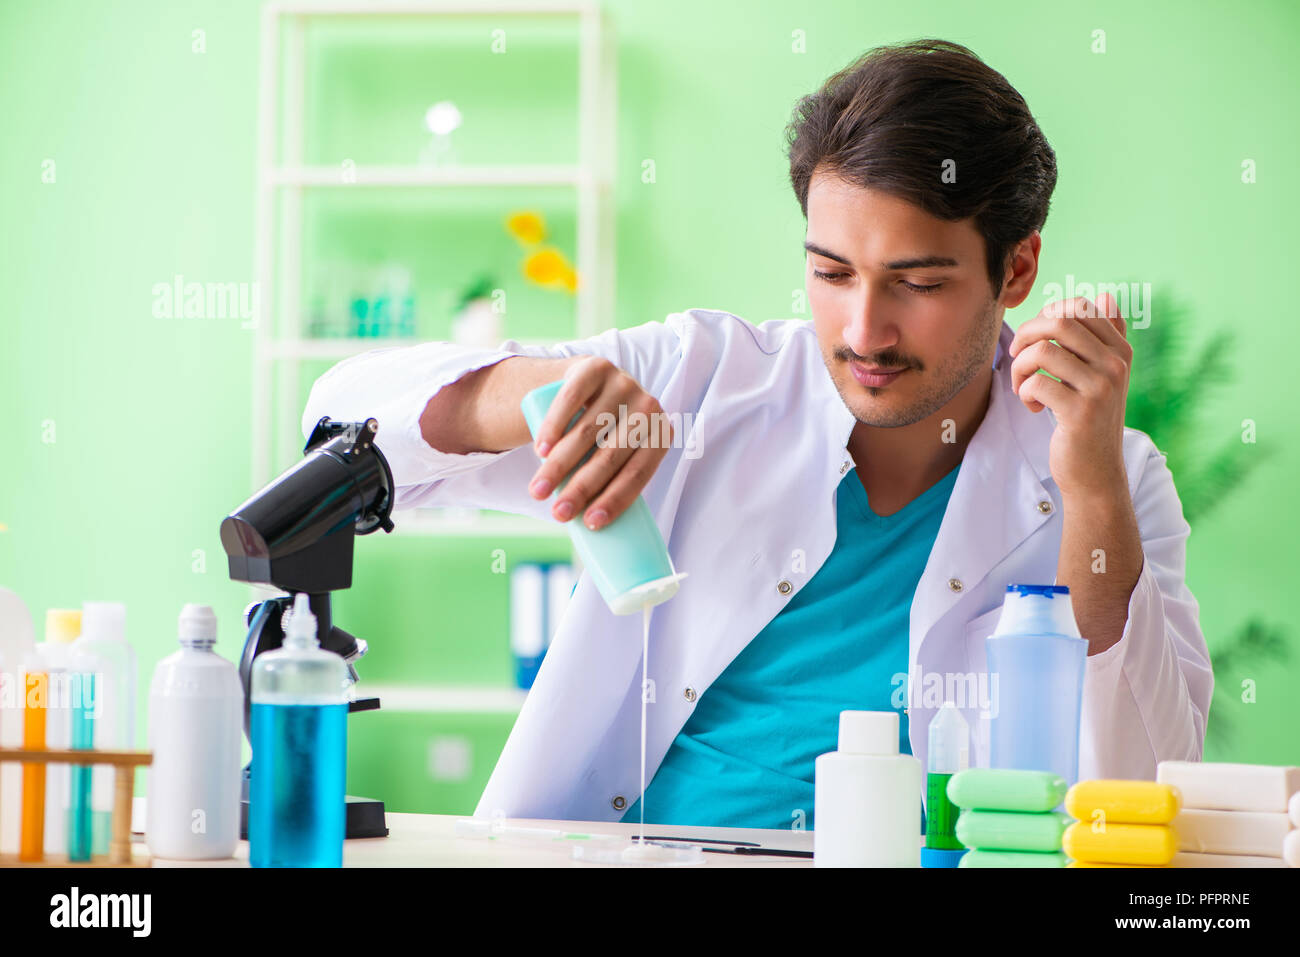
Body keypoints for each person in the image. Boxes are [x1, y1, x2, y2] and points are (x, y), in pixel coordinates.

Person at [301, 38, 1211, 829]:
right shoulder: (702, 380)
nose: (864, 330)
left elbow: (1141, 776)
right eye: (830, 272)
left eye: (918, 283)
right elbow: (340, 426)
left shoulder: (1111, 474)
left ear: (1016, 267)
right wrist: (539, 393)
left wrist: (1091, 486)